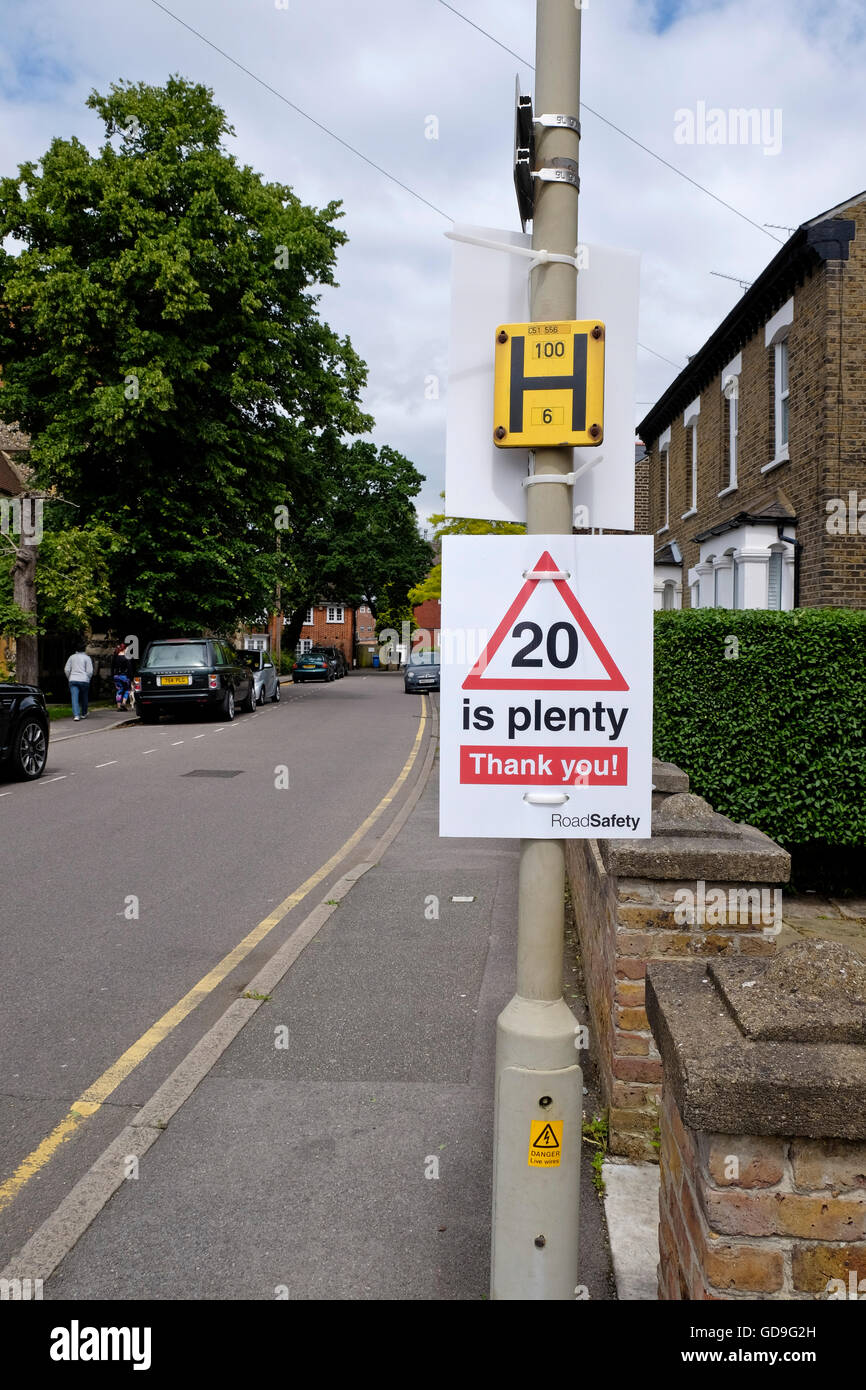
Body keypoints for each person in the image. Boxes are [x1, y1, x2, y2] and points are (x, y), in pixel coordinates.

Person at [64, 641, 93, 721]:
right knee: (84, 697)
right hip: (84, 680)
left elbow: (66, 669)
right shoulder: (87, 658)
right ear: (84, 649)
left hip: (73, 679)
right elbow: (90, 671)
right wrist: (88, 678)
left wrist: (69, 677)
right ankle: (84, 713)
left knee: (74, 698)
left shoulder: (71, 657)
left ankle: (76, 715)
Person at [111, 642, 133, 711]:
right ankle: (123, 703)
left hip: (116, 676)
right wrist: (131, 678)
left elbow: (112, 668)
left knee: (119, 690)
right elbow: (130, 669)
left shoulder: (115, 657)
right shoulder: (127, 658)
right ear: (125, 649)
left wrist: (113, 676)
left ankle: (118, 706)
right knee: (127, 690)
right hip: (124, 677)